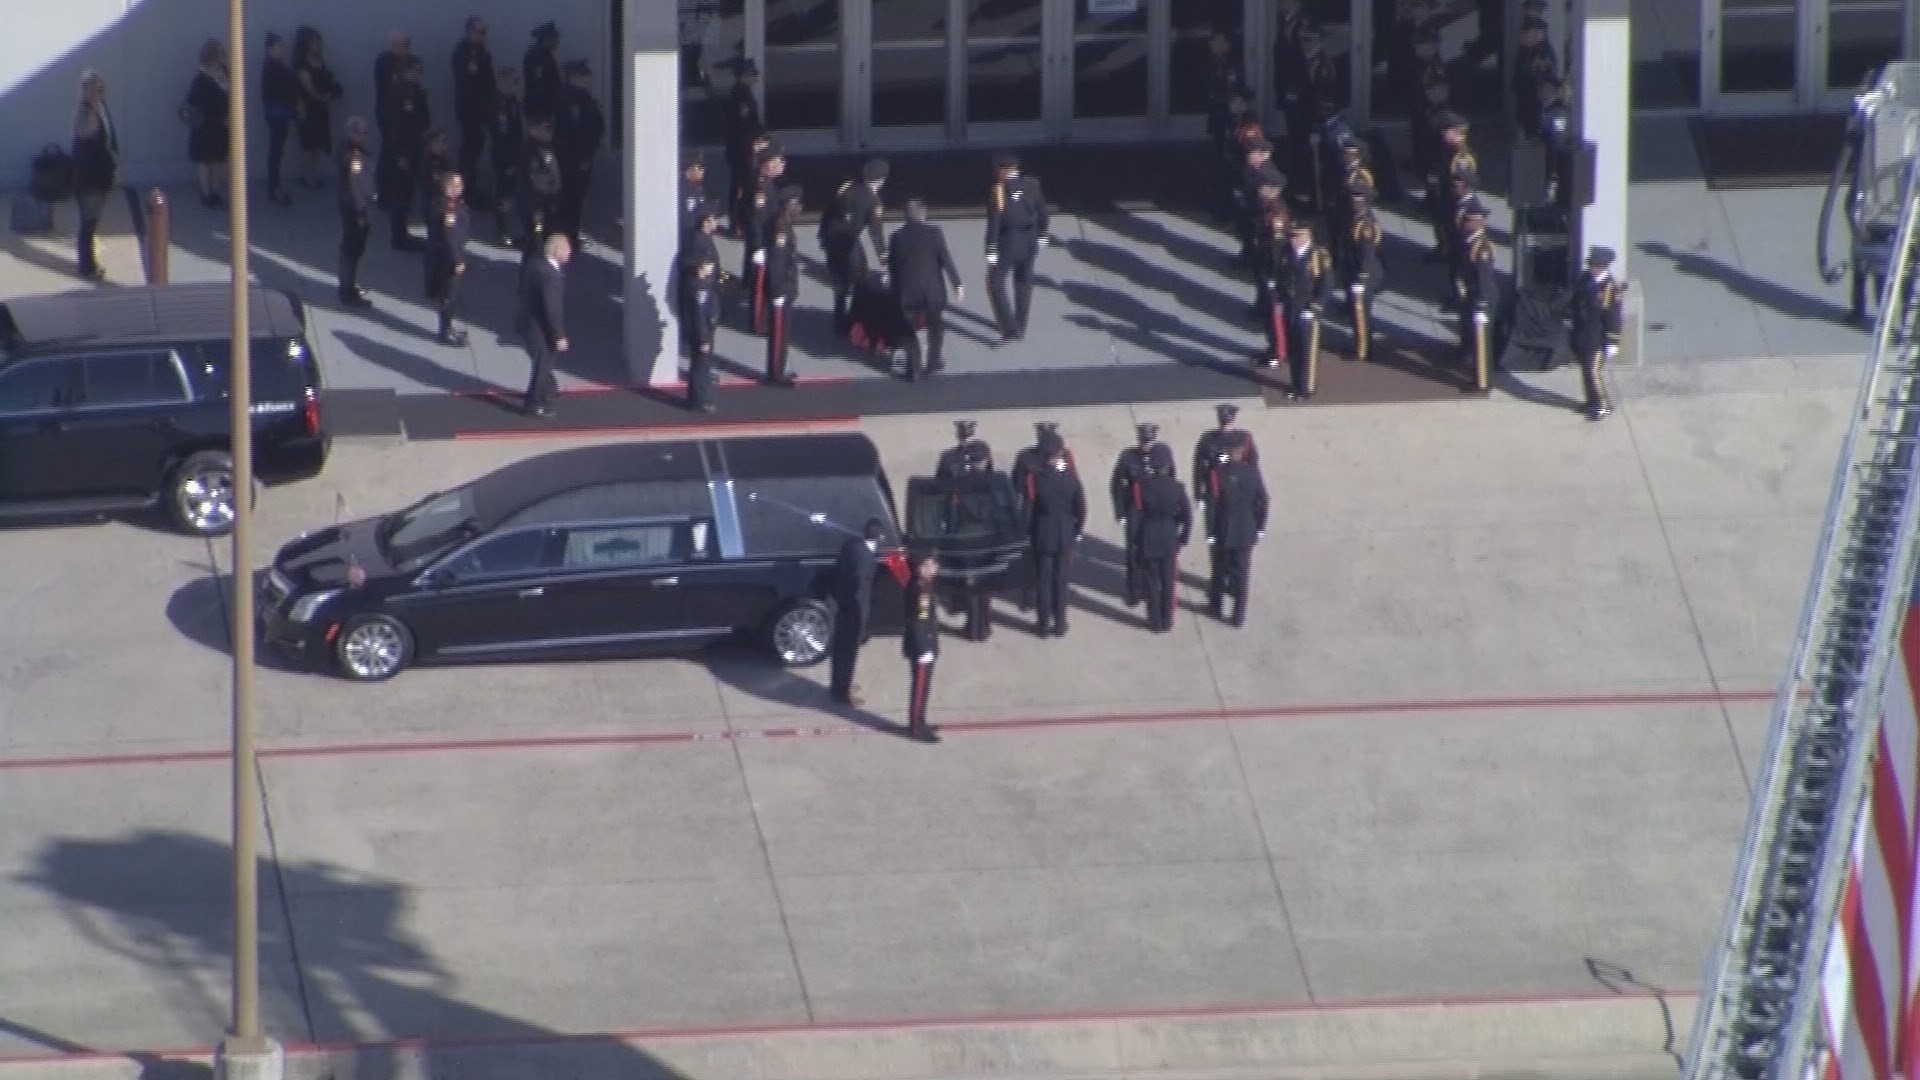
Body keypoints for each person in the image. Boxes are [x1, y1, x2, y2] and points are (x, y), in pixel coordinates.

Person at [887, 199, 963, 381]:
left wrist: (894, 289)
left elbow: (893, 267)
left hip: (907, 292)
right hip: (932, 292)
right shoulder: (935, 233)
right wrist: (957, 284)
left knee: (908, 330)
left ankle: (914, 367)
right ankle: (933, 361)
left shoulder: (896, 237)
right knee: (936, 327)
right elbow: (945, 259)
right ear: (924, 214)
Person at [1026, 431, 1086, 638]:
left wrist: (1028, 533)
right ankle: (1060, 624)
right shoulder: (1070, 477)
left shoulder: (1037, 478)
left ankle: (1043, 625)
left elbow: (1029, 509)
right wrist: (1076, 531)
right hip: (1065, 533)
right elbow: (1081, 507)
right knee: (1061, 581)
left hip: (1043, 533)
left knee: (1043, 581)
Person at [818, 159, 888, 334]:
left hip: (831, 238)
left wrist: (822, 236)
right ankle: (856, 322)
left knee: (839, 282)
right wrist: (883, 255)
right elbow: (875, 232)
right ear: (881, 180)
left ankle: (839, 322)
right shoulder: (874, 202)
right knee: (860, 279)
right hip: (848, 243)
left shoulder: (846, 187)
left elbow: (828, 211)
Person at [984, 154, 1049, 341]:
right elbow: (1044, 213)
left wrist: (991, 250)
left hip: (1008, 241)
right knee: (1024, 283)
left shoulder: (998, 191)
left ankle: (1010, 326)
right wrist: (1042, 236)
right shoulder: (1032, 186)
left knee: (995, 282)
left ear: (1004, 171)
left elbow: (994, 223)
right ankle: (1021, 325)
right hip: (1029, 240)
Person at [1205, 436, 1268, 627]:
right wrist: (1260, 527)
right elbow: (1263, 501)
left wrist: (1210, 532)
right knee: (1242, 575)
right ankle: (1238, 616)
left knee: (1218, 571)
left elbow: (1213, 507)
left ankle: (1216, 606)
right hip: (1246, 531)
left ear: (1230, 453)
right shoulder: (1253, 473)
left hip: (1224, 531)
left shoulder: (1218, 474)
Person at [1134, 444, 1192, 634]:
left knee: (1151, 581)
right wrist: (1183, 538)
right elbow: (1187, 516)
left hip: (1149, 536)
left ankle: (1154, 620)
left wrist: (1136, 540)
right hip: (1169, 537)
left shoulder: (1142, 486)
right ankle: (1167, 619)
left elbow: (1136, 515)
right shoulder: (1177, 488)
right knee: (1168, 581)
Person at [830, 518, 886, 707]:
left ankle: (837, 684)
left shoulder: (851, 545)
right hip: (855, 611)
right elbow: (861, 591)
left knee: (839, 650)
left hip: (842, 604)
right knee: (849, 652)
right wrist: (862, 619)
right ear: (878, 537)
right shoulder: (866, 561)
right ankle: (843, 692)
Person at [1276, 219, 1333, 400]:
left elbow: (1326, 284)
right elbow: (1282, 277)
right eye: (1291, 236)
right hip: (1291, 306)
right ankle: (1295, 384)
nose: (1293, 239)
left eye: (1297, 236)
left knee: (1307, 350)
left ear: (1307, 236)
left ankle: (1307, 388)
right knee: (1294, 349)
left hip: (1308, 308)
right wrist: (1279, 298)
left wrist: (1315, 307)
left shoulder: (1318, 255)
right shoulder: (1287, 252)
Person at [378, 57, 430, 250]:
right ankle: (399, 237)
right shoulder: (404, 93)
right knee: (401, 194)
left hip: (412, 147)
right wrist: (401, 154)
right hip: (405, 150)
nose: (420, 75)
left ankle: (402, 233)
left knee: (406, 194)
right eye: (417, 71)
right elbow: (399, 126)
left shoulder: (412, 91)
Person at [1109, 422, 1163, 607]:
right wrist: (1120, 512)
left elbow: (1169, 484)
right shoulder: (1128, 457)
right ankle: (1133, 590)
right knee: (1133, 551)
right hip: (1135, 509)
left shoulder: (1162, 455)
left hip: (1154, 512)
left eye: (1148, 441)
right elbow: (1116, 485)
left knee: (1151, 551)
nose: (1145, 445)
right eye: (1143, 441)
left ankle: (1150, 587)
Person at [518, 233, 571, 418]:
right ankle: (534, 403)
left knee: (542, 365)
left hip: (529, 324)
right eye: (567, 248)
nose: (569, 253)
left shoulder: (534, 265)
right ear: (557, 251)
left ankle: (548, 391)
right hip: (541, 329)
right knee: (543, 366)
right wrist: (559, 335)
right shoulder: (550, 275)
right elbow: (552, 309)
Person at [70, 71, 117, 281]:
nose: (102, 93)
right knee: (88, 223)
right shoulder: (85, 114)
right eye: (98, 89)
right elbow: (87, 145)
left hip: (100, 176)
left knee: (92, 221)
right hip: (89, 178)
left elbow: (108, 141)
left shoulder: (101, 109)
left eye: (103, 88)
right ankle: (86, 265)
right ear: (88, 91)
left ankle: (89, 263)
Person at [1570, 246, 1624, 421]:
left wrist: (1613, 341)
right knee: (1586, 370)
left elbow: (1613, 316)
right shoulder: (1585, 279)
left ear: (1604, 267)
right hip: (1583, 333)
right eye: (1592, 265)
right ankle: (1591, 401)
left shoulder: (1610, 288)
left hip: (1598, 336)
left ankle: (1602, 405)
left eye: (1597, 266)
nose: (1593, 269)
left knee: (1593, 371)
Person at [554, 59, 604, 249]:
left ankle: (570, 233)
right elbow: (575, 133)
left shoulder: (582, 97)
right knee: (571, 198)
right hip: (573, 159)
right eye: (583, 76)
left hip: (578, 156)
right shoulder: (571, 101)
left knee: (575, 198)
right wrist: (583, 156)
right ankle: (567, 236)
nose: (587, 79)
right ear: (573, 78)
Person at [678, 208, 723, 413]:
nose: (710, 268)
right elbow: (698, 314)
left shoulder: (702, 283)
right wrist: (704, 338)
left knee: (703, 364)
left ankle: (700, 396)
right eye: (707, 266)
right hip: (702, 331)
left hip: (705, 325)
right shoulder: (699, 288)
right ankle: (698, 400)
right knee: (700, 365)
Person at [452, 17, 495, 209]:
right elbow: (473, 83)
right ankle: (463, 191)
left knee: (475, 147)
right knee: (469, 150)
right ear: (470, 32)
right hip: (471, 108)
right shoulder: (465, 54)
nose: (485, 36)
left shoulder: (480, 53)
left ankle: (470, 188)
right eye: (481, 32)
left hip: (480, 108)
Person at [424, 172, 471, 346]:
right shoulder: (448, 208)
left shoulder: (446, 203)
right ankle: (446, 331)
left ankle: (448, 327)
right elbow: (450, 237)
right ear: (448, 188)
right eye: (457, 185)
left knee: (447, 296)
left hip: (441, 256)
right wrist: (457, 260)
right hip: (447, 259)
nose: (461, 188)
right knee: (448, 297)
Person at [1456, 204, 1498, 394]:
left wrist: (1481, 306)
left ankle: (1482, 383)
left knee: (1481, 342)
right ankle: (1477, 376)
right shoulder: (1470, 242)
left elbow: (1483, 279)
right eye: (1466, 220)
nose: (1466, 223)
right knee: (1474, 340)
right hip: (1472, 297)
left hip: (1482, 299)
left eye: (1470, 220)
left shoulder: (1482, 247)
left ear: (1480, 222)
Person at [292, 28, 342, 189]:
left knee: (319, 144)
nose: (317, 45)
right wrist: (322, 97)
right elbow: (308, 88)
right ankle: (306, 176)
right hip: (308, 108)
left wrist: (331, 92)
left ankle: (312, 173)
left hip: (321, 109)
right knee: (309, 144)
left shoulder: (320, 60)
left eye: (317, 41)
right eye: (313, 42)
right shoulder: (301, 63)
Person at [1340, 185, 1385, 360]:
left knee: (1361, 314)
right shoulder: (1357, 218)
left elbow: (1367, 254)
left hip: (1363, 276)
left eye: (1358, 202)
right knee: (1357, 313)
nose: (1354, 204)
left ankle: (1363, 350)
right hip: (1354, 271)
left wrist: (1362, 278)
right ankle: (1361, 343)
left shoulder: (1365, 224)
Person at [184, 39, 231, 208]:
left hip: (222, 126)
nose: (222, 57)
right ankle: (206, 192)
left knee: (219, 159)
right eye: (219, 54)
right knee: (204, 161)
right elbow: (199, 103)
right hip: (205, 126)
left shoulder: (225, 73)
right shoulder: (201, 78)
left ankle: (216, 190)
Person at [902, 552, 942, 743]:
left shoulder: (923, 585)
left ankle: (920, 719)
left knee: (924, 687)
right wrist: (923, 648)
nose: (935, 568)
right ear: (922, 568)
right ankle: (915, 727)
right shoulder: (922, 589)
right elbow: (919, 621)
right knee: (919, 688)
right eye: (931, 564)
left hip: (925, 642)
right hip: (922, 646)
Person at [335, 117, 374, 307]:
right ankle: (347, 291)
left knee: (353, 249)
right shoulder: (353, 155)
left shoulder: (349, 150)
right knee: (352, 249)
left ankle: (349, 285)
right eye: (362, 132)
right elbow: (354, 185)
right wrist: (360, 211)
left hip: (352, 206)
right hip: (354, 208)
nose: (365, 136)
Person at [1193, 403, 1258, 517]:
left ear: (1233, 421)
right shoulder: (1207, 439)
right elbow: (1198, 467)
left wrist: (1255, 490)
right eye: (1223, 423)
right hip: (1216, 487)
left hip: (1238, 486)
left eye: (1228, 423)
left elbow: (1253, 464)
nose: (1225, 427)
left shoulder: (1244, 437)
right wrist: (1198, 495)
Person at [723, 60, 764, 237]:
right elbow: (743, 125)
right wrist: (752, 143)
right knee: (741, 186)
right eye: (751, 75)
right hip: (741, 150)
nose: (754, 78)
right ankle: (738, 224)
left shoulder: (745, 94)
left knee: (746, 185)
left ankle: (742, 221)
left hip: (743, 147)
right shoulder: (740, 97)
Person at [487, 67, 526, 245]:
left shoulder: (512, 102)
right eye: (513, 82)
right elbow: (503, 136)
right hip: (505, 155)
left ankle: (508, 229)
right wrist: (510, 160)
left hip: (513, 153)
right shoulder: (500, 106)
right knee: (505, 193)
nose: (516, 85)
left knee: (511, 191)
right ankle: (503, 232)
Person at [763, 213, 800, 387]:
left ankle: (779, 368)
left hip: (786, 294)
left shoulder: (784, 247)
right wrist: (777, 294)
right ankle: (775, 374)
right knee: (778, 336)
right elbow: (775, 273)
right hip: (780, 296)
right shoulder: (776, 251)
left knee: (783, 335)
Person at [261, 33, 298, 205]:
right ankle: (273, 187)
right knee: (276, 151)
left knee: (277, 150)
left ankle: (274, 186)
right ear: (270, 49)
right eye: (279, 46)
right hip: (278, 113)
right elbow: (274, 91)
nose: (282, 49)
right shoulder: (272, 68)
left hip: (280, 112)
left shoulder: (277, 66)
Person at [521, 113, 561, 247]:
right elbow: (536, 180)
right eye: (546, 129)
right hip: (537, 205)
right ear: (534, 131)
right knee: (537, 237)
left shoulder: (547, 148)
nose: (550, 132)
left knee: (547, 233)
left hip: (548, 204)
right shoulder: (533, 152)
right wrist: (549, 194)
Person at [373, 28, 413, 127]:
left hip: (410, 112)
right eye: (404, 44)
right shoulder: (383, 62)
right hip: (391, 115)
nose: (407, 48)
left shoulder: (412, 61)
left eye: (408, 44)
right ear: (393, 45)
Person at [523, 22, 563, 121]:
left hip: (543, 105)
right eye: (555, 38)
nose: (557, 41)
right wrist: (549, 104)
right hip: (539, 107)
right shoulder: (537, 56)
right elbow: (538, 83)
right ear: (547, 39)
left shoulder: (545, 55)